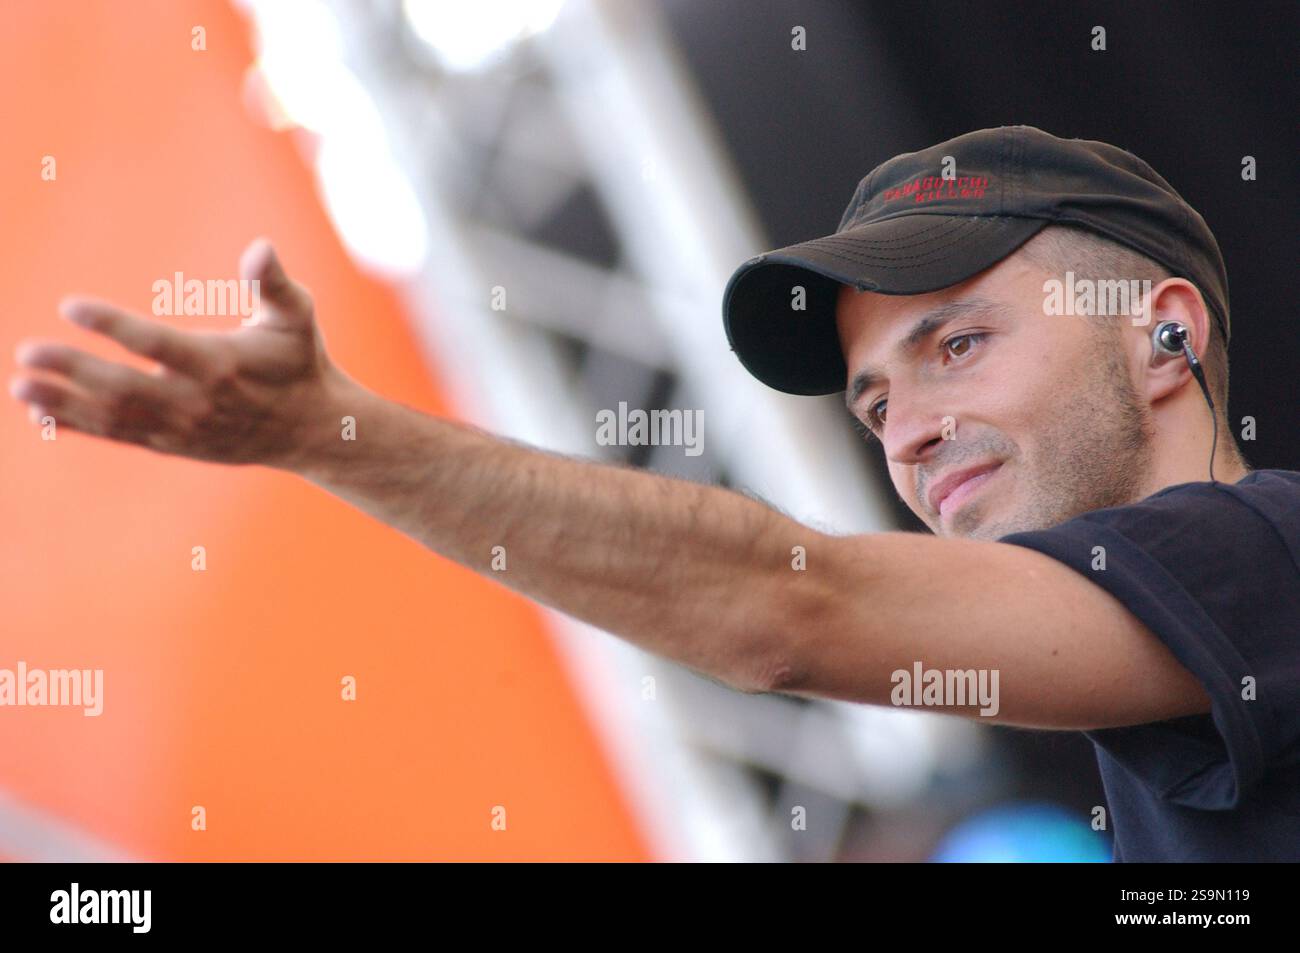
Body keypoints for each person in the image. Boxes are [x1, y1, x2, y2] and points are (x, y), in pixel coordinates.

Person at [10, 125, 1298, 861]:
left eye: (956, 345)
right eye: (874, 405)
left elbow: (780, 610)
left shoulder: (1267, 556)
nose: (910, 432)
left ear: (1163, 337)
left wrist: (333, 433)